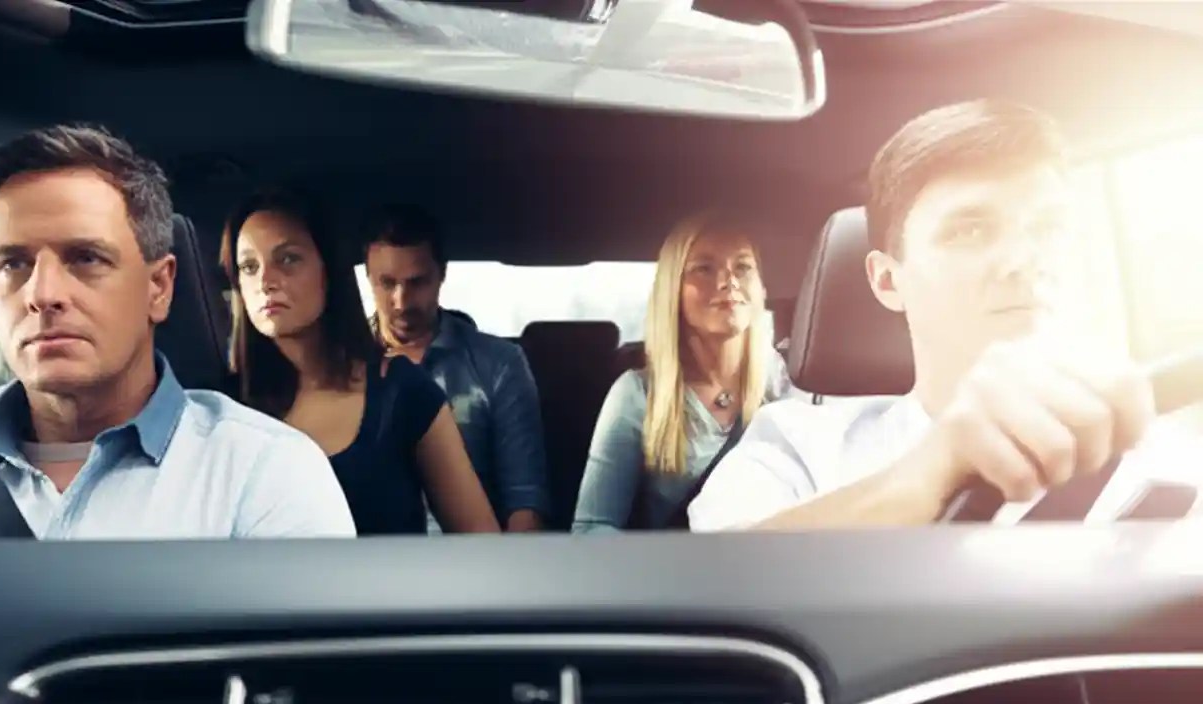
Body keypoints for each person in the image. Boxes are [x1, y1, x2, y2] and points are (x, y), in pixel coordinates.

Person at [689, 99, 1189, 532]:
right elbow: (704, 588)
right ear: (888, 281)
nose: (1025, 259)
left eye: (1050, 226)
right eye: (968, 231)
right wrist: (930, 475)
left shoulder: (1170, 447)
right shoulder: (798, 444)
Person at [0, 123, 357, 539]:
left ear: (159, 287)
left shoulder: (266, 473)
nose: (41, 293)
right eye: (13, 264)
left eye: (86, 258)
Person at [221, 189, 501, 535]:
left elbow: (480, 542)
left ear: (329, 271)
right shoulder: (219, 409)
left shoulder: (402, 391)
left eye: (288, 259)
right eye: (249, 266)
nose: (265, 282)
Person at [571, 212, 798, 532]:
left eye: (743, 267)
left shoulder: (794, 383)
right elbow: (593, 529)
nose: (728, 281)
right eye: (704, 268)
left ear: (761, 289)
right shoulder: (638, 395)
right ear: (672, 291)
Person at [361, 204, 549, 532]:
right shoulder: (341, 363)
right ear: (368, 279)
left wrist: (511, 575)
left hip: (473, 562)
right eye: (387, 283)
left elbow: (524, 500)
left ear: (442, 275)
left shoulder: (499, 364)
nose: (401, 302)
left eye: (417, 282)